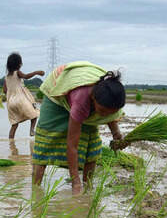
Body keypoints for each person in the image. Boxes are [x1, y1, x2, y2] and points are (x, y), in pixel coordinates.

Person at [32, 61, 127, 195]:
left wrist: (116, 134)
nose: (105, 116)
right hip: (57, 90)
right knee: (46, 144)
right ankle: (35, 192)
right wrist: (75, 182)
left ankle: (88, 188)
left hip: (82, 96)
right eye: (103, 111)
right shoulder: (82, 99)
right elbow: (72, 146)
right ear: (93, 98)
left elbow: (110, 115)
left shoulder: (113, 98)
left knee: (92, 145)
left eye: (110, 113)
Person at [2, 52, 44, 138]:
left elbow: (4, 91)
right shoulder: (17, 73)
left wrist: (12, 92)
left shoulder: (7, 77)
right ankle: (32, 131)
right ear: (18, 64)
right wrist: (36, 72)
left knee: (14, 124)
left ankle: (11, 142)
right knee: (35, 113)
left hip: (10, 103)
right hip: (20, 100)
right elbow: (26, 76)